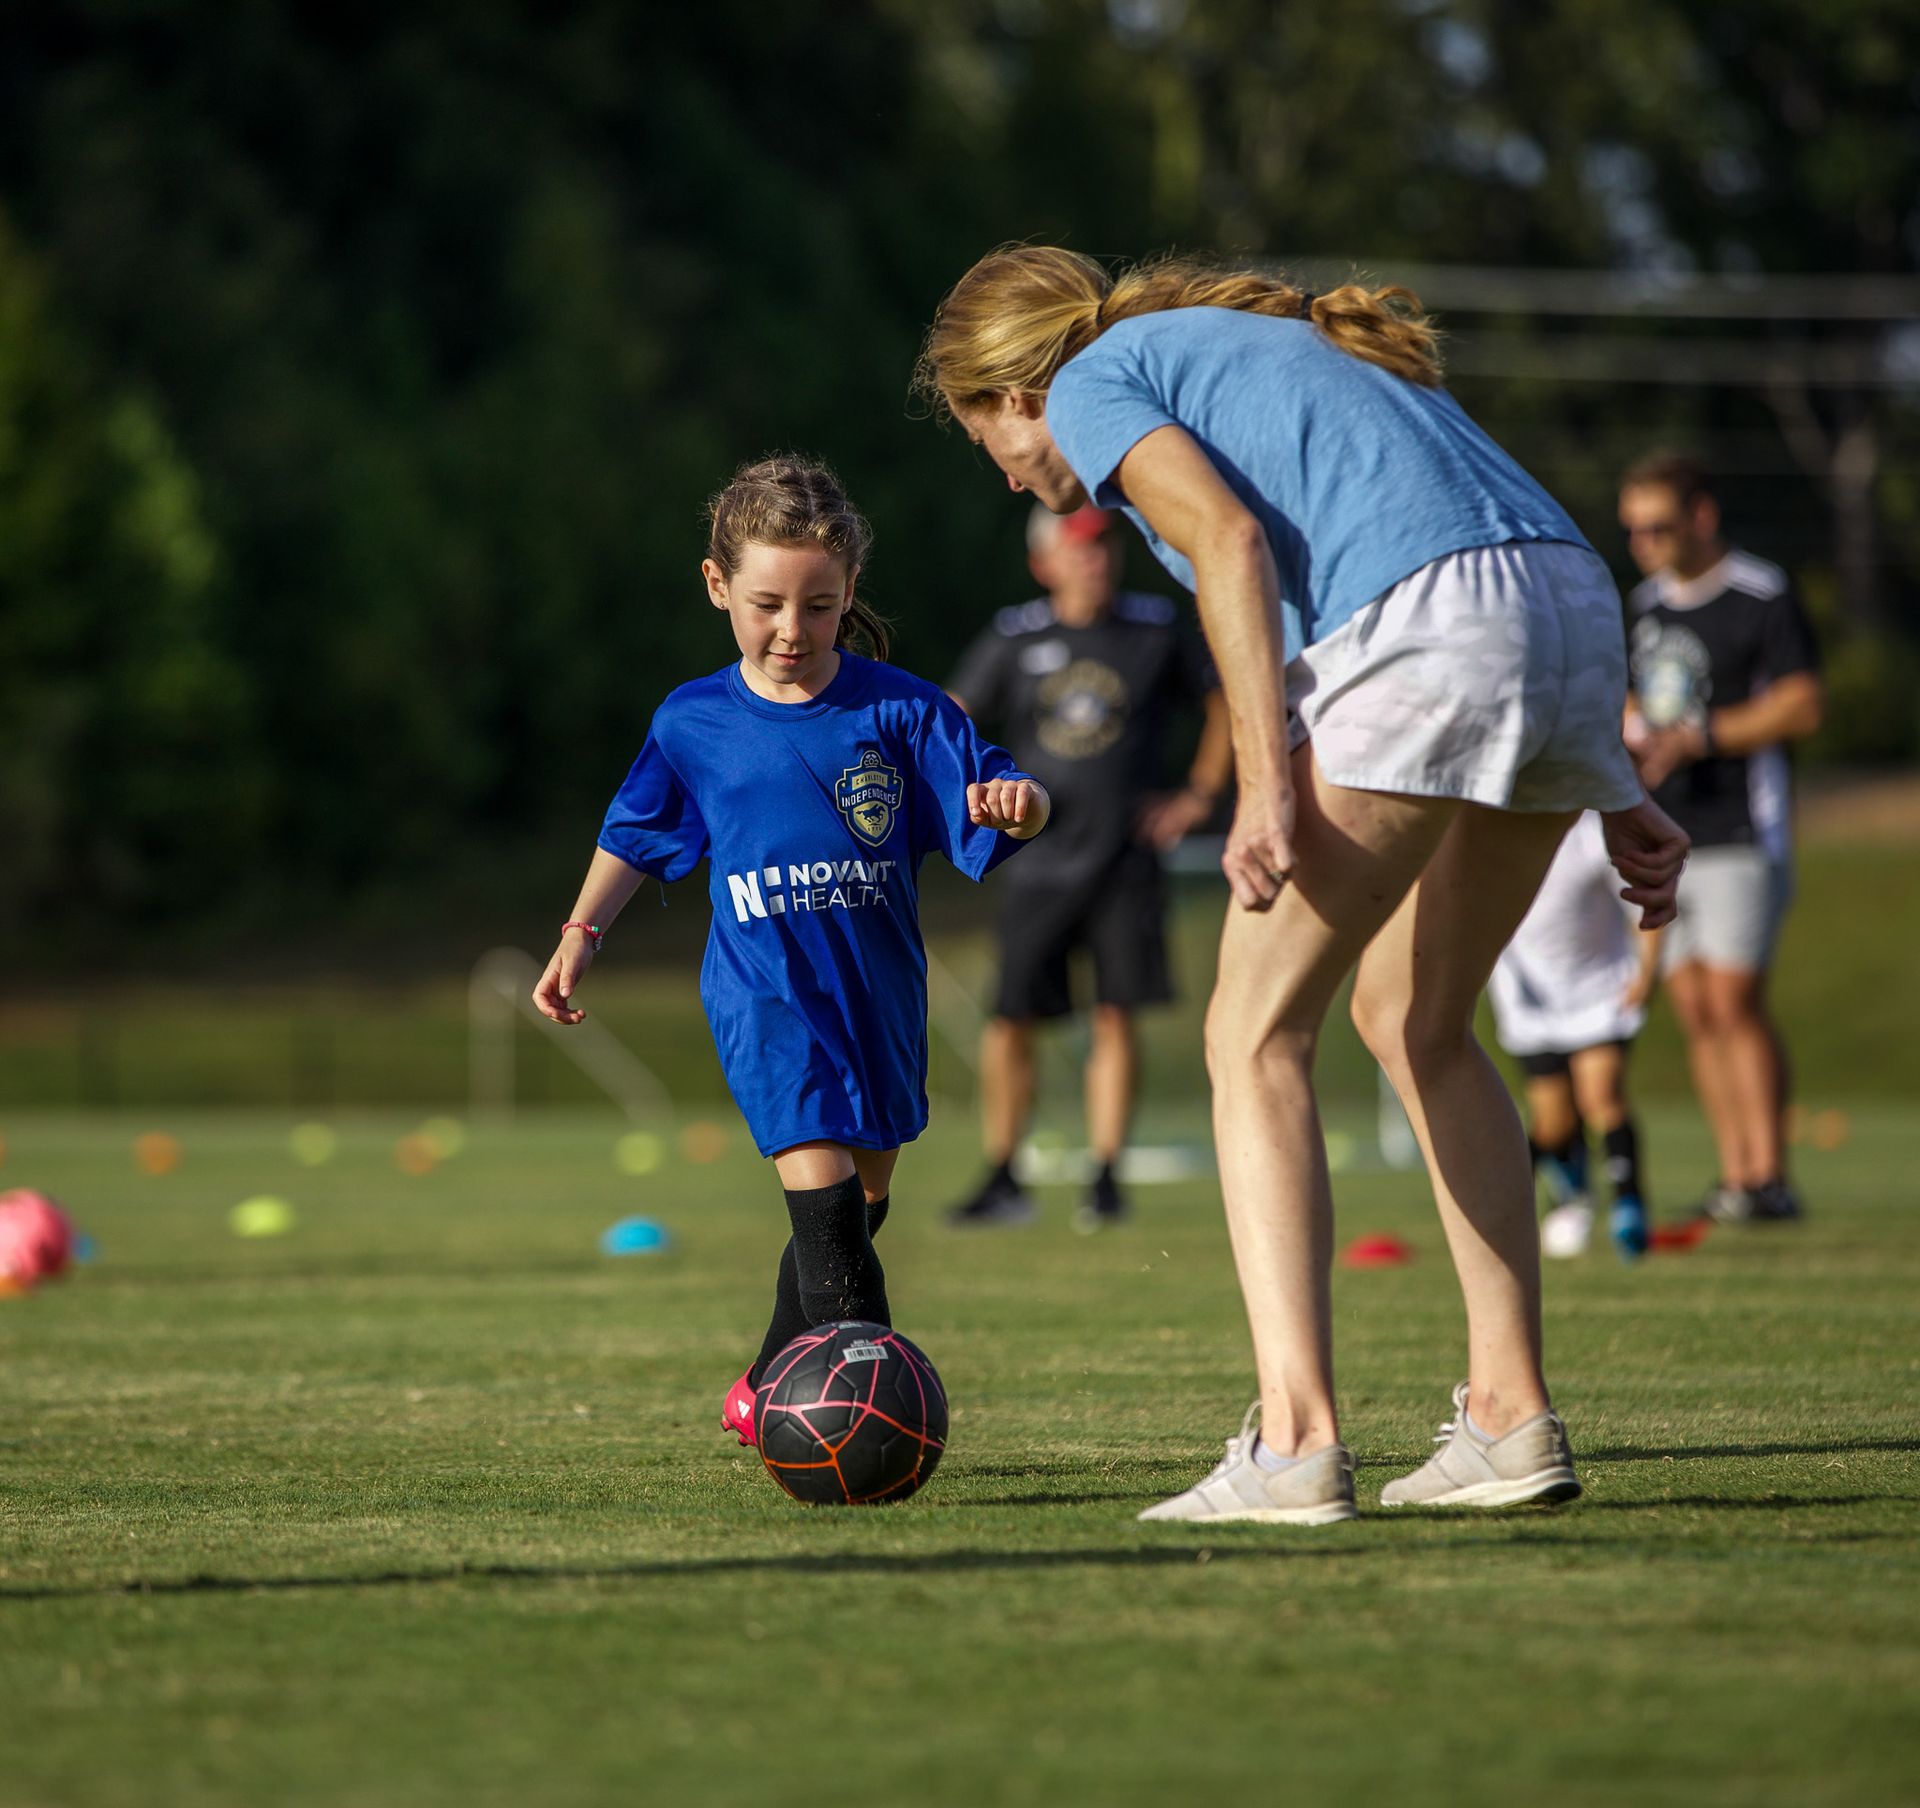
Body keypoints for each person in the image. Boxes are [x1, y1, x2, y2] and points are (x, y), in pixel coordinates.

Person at [916, 247, 1687, 1525]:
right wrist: (1611, 774)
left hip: (1435, 635)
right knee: (1416, 1020)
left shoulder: (1100, 376)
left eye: (984, 432)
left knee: (1250, 1029)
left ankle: (1293, 1441)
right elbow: (1485, 546)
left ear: (1014, 387)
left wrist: (1266, 786)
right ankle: (1508, 1414)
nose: (1005, 469)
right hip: (1568, 607)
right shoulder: (1264, 352)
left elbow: (1227, 543)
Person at [532, 455, 1050, 1449]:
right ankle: (867, 1423)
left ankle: (770, 1374)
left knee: (861, 1200)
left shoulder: (902, 710)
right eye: (766, 602)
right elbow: (634, 830)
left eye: (818, 605)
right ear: (718, 586)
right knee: (824, 1208)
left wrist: (1024, 806)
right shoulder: (694, 721)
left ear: (849, 592)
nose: (791, 630)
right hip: (765, 994)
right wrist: (579, 933)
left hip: (880, 997)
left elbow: (1001, 798)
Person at [944, 501, 1231, 1232]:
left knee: (1115, 1013)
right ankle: (1004, 1173)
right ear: (1046, 565)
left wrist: (1197, 796)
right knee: (1011, 1016)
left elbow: (1224, 699)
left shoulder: (1154, 629)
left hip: (1124, 858)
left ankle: (1106, 1175)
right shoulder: (1018, 635)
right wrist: (957, 795)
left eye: (1102, 546)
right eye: (1079, 549)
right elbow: (951, 713)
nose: (1095, 559)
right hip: (1038, 861)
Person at [1618, 452, 1823, 1224]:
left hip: (1742, 826)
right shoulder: (1643, 603)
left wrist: (1700, 735)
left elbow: (1802, 705)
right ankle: (1735, 1173)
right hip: (1667, 828)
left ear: (1702, 517)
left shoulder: (1759, 593)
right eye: (1633, 530)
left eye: (1659, 527)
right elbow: (1636, 699)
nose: (1645, 543)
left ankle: (1771, 1173)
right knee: (1696, 1004)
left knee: (1737, 1000)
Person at [1486, 812, 1661, 1262]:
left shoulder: (1592, 834)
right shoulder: (1495, 831)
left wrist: (1647, 970)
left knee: (1600, 1097)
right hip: (1530, 1000)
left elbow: (1645, 903)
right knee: (1553, 1122)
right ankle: (1570, 1197)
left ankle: (1629, 1207)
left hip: (1599, 992)